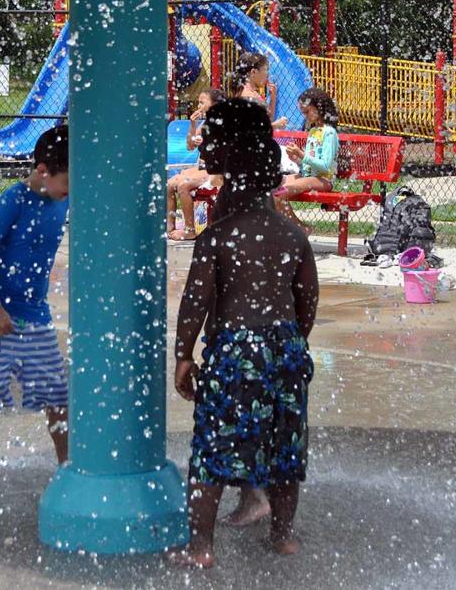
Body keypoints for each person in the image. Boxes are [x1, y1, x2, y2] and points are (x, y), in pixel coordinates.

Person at [169, 98, 319, 569]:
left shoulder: (218, 237)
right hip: (284, 347)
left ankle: (201, 547)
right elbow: (307, 300)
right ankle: (283, 536)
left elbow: (195, 301)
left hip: (234, 350)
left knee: (212, 448)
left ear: (231, 170)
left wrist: (183, 355)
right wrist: (291, 341)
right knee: (284, 447)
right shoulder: (293, 236)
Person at [0, 125, 71, 502]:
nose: (70, 190)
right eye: (66, 183)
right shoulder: (14, 200)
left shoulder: (62, 200)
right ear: (43, 171)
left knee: (57, 394)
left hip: (35, 315)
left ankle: (66, 467)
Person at [275, 87, 339, 234]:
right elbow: (308, 165)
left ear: (319, 107)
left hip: (323, 179)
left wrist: (302, 155)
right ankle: (288, 230)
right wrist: (297, 159)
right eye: (303, 113)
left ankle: (301, 229)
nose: (305, 116)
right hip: (308, 176)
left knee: (279, 193)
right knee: (272, 187)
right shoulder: (313, 131)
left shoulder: (329, 133)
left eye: (307, 111)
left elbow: (325, 166)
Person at [167, 88, 225, 241]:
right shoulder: (206, 123)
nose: (198, 106)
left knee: (183, 186)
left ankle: (190, 230)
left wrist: (210, 142)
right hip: (204, 167)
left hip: (217, 170)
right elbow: (190, 146)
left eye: (202, 102)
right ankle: (169, 228)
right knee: (169, 184)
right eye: (198, 102)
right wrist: (192, 125)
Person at [226, 52, 287, 129]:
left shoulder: (246, 92)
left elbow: (267, 120)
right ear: (253, 72)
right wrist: (275, 125)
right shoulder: (248, 97)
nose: (268, 74)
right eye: (265, 69)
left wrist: (273, 98)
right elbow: (250, 130)